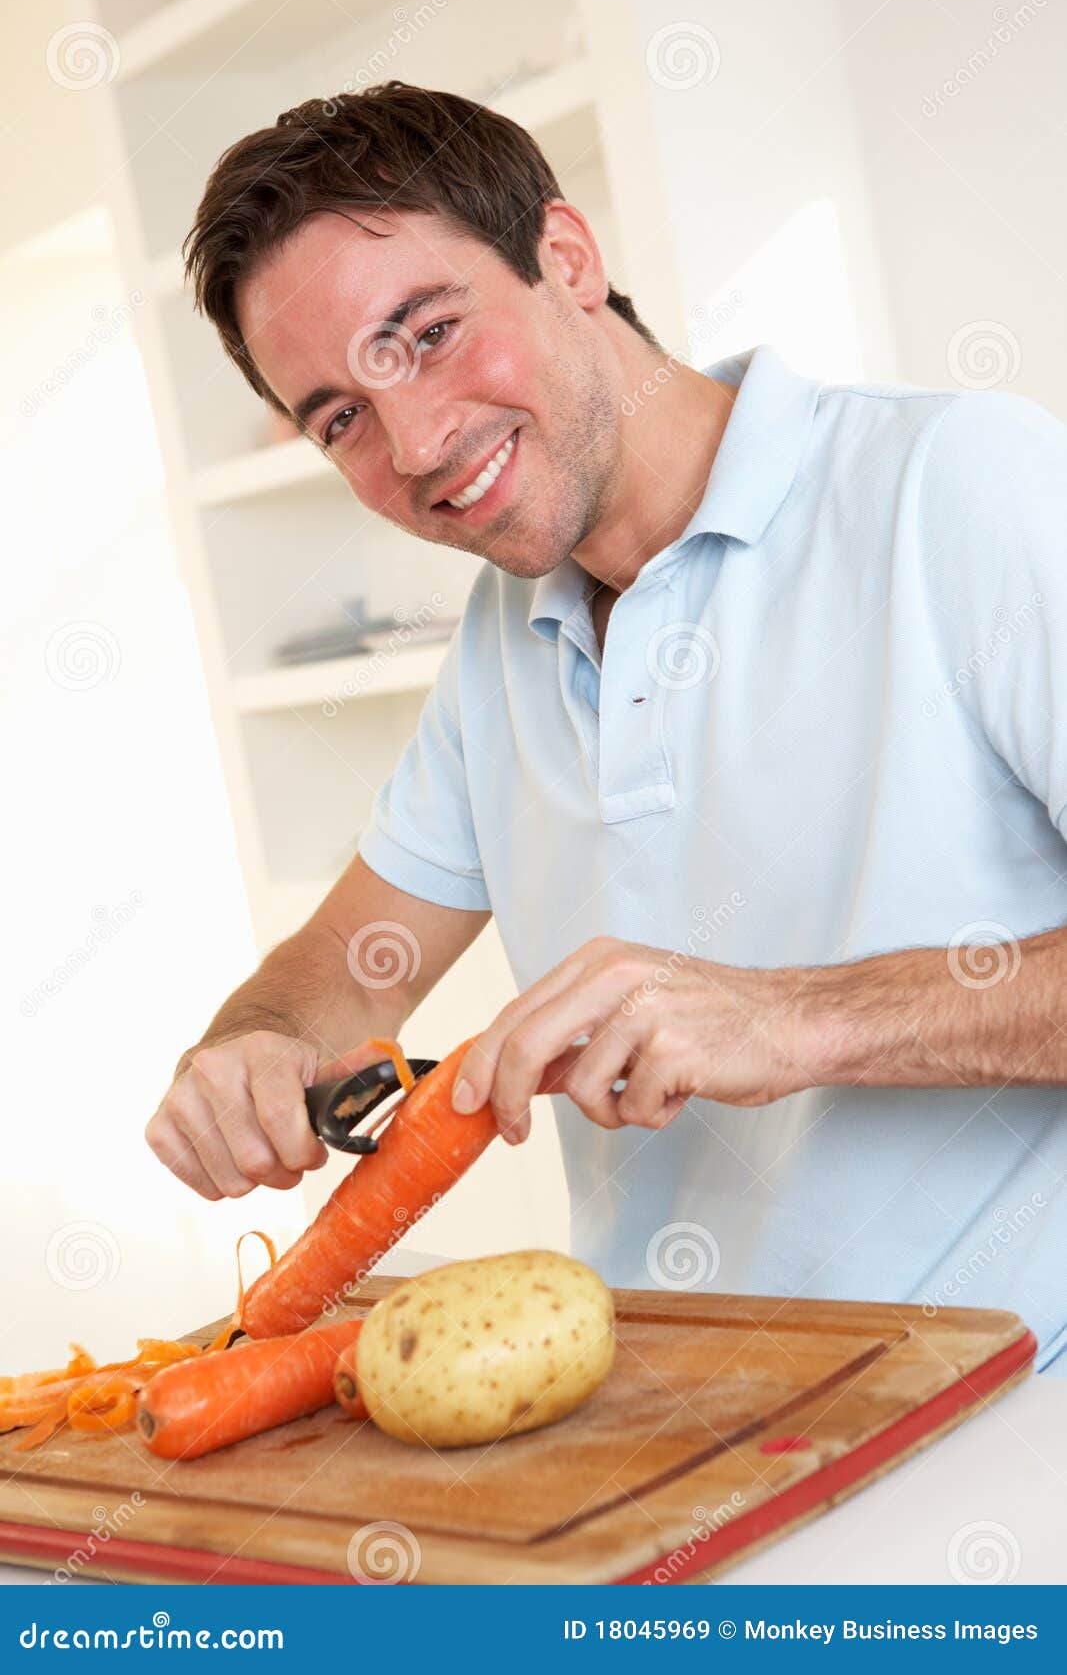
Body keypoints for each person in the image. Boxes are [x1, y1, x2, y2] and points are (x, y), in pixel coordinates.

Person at [147, 82, 1067, 1371]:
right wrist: (253, 1044)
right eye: (341, 417)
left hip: (996, 1431)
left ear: (566, 260)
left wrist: (798, 1020)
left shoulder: (957, 484)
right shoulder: (498, 636)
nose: (412, 444)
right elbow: (349, 963)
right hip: (656, 1437)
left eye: (426, 332)